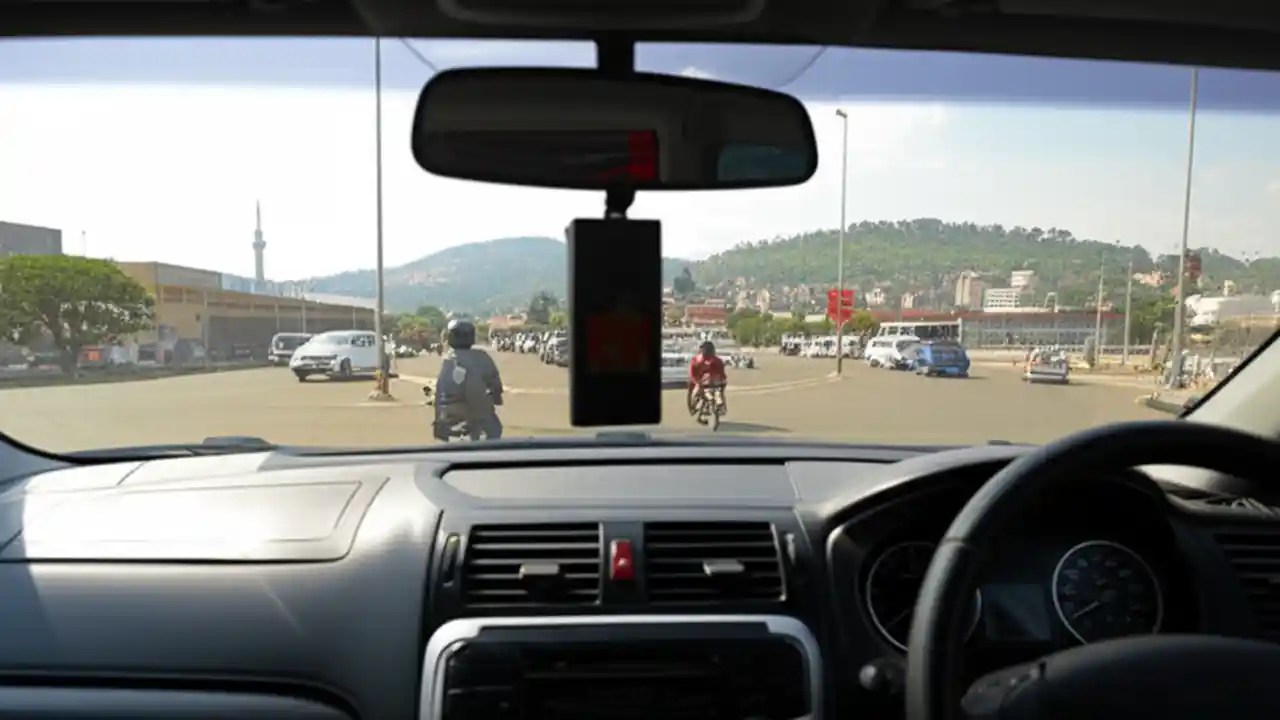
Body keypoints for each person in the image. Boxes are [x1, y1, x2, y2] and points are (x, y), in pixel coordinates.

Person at [433, 319, 505, 441]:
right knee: (494, 429)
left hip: (448, 411)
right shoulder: (482, 357)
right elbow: (495, 383)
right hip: (478, 410)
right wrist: (497, 397)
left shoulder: (447, 359)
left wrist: (438, 420)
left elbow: (439, 391)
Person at [687, 340, 728, 420]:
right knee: (692, 391)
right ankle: (692, 406)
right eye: (705, 349)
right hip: (697, 378)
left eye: (709, 350)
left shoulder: (717, 361)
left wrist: (722, 381)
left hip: (711, 380)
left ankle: (722, 407)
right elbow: (692, 374)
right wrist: (697, 382)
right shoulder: (696, 360)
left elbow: (721, 373)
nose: (707, 352)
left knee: (720, 391)